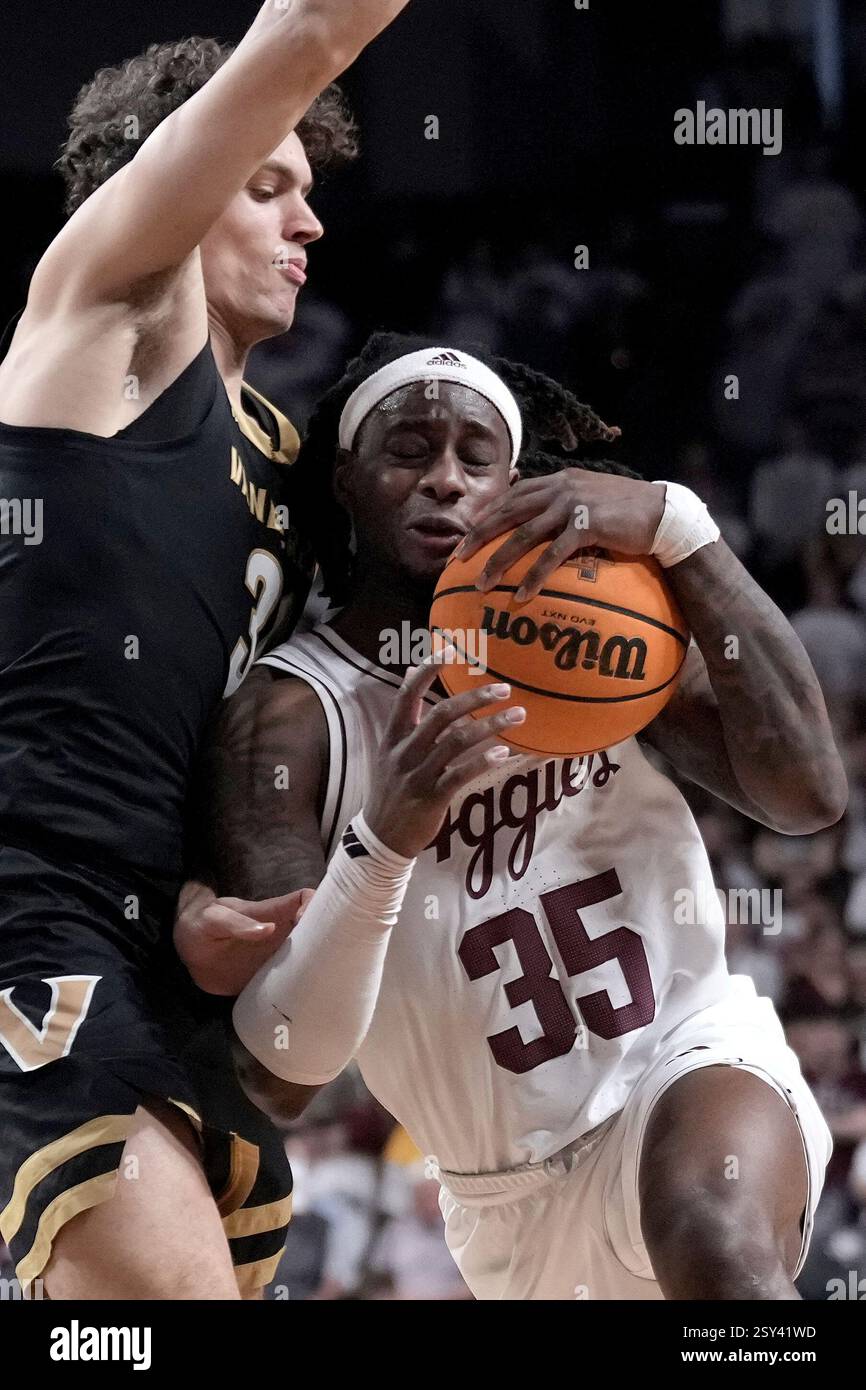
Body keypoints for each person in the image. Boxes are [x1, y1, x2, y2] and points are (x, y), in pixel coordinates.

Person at [179, 332, 847, 1299]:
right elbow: (285, 1072)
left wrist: (680, 527)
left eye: (475, 457)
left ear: (515, 481)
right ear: (346, 480)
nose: (445, 480)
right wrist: (383, 846)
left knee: (716, 1233)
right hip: (505, 1203)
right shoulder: (293, 718)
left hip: (685, 1062)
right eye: (409, 450)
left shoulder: (596, 621)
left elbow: (807, 796)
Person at [0, 1, 411, 1301]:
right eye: (268, 185)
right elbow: (299, 33)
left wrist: (193, 903)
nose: (310, 224)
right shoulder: (106, 320)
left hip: (151, 957)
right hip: (27, 902)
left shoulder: (294, 480)